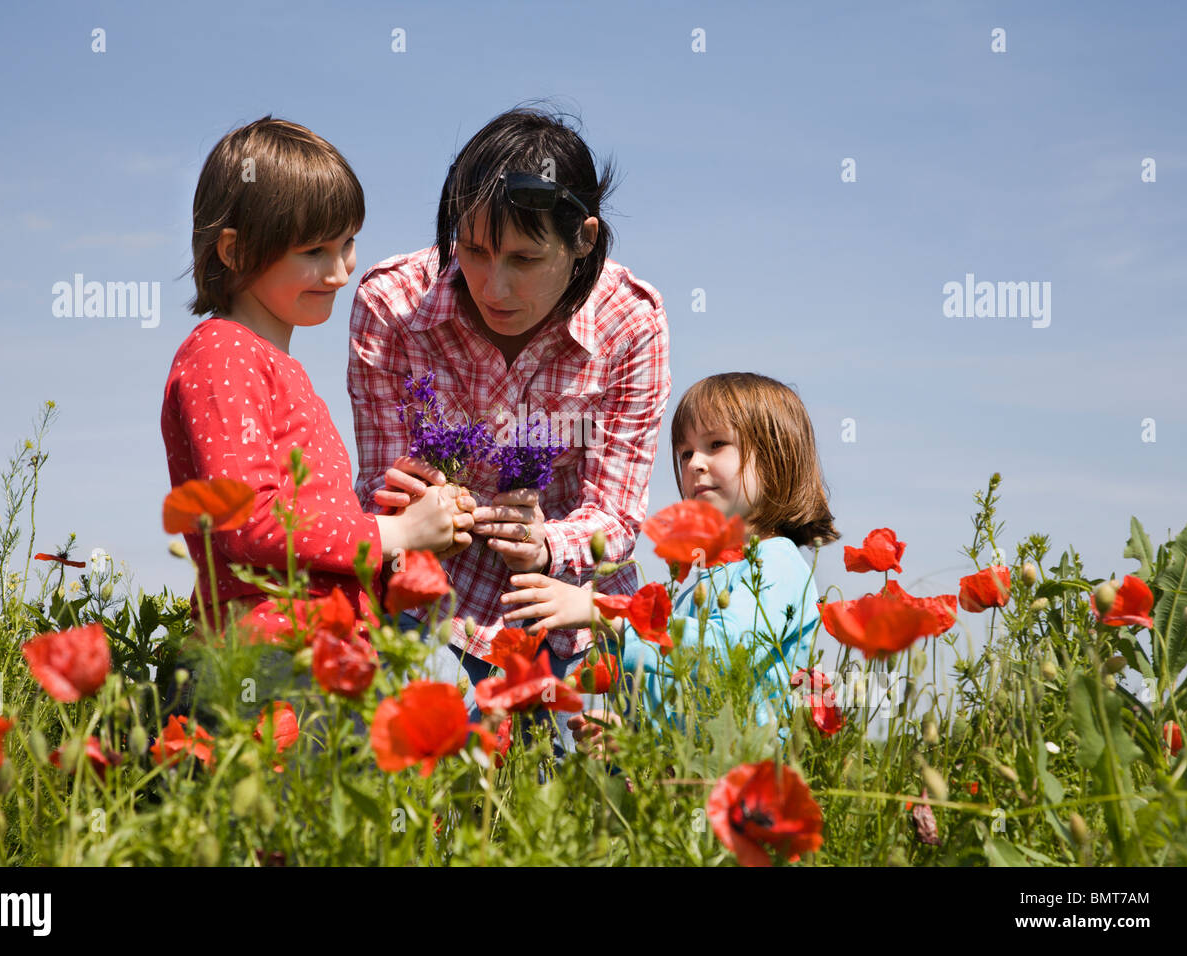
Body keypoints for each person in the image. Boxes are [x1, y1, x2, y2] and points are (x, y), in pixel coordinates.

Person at [347, 108, 671, 748]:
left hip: (562, 617)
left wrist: (548, 542)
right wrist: (420, 505)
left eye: (525, 258)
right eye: (474, 250)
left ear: (582, 239)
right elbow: (374, 494)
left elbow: (617, 517)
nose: (494, 285)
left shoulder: (632, 323)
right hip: (431, 612)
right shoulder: (390, 305)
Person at [161, 116, 472, 650]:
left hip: (319, 648)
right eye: (313, 252)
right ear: (233, 251)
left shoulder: (275, 364)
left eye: (347, 243)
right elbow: (247, 524)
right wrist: (394, 534)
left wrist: (403, 521)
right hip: (271, 656)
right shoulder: (222, 351)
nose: (340, 272)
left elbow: (305, 532)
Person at [497, 373, 840, 750]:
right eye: (686, 452)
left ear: (777, 458)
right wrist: (634, 737)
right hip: (690, 774)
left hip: (741, 777)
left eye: (716, 444)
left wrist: (605, 612)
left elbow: (724, 655)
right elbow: (683, 688)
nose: (695, 464)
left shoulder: (779, 563)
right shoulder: (703, 579)